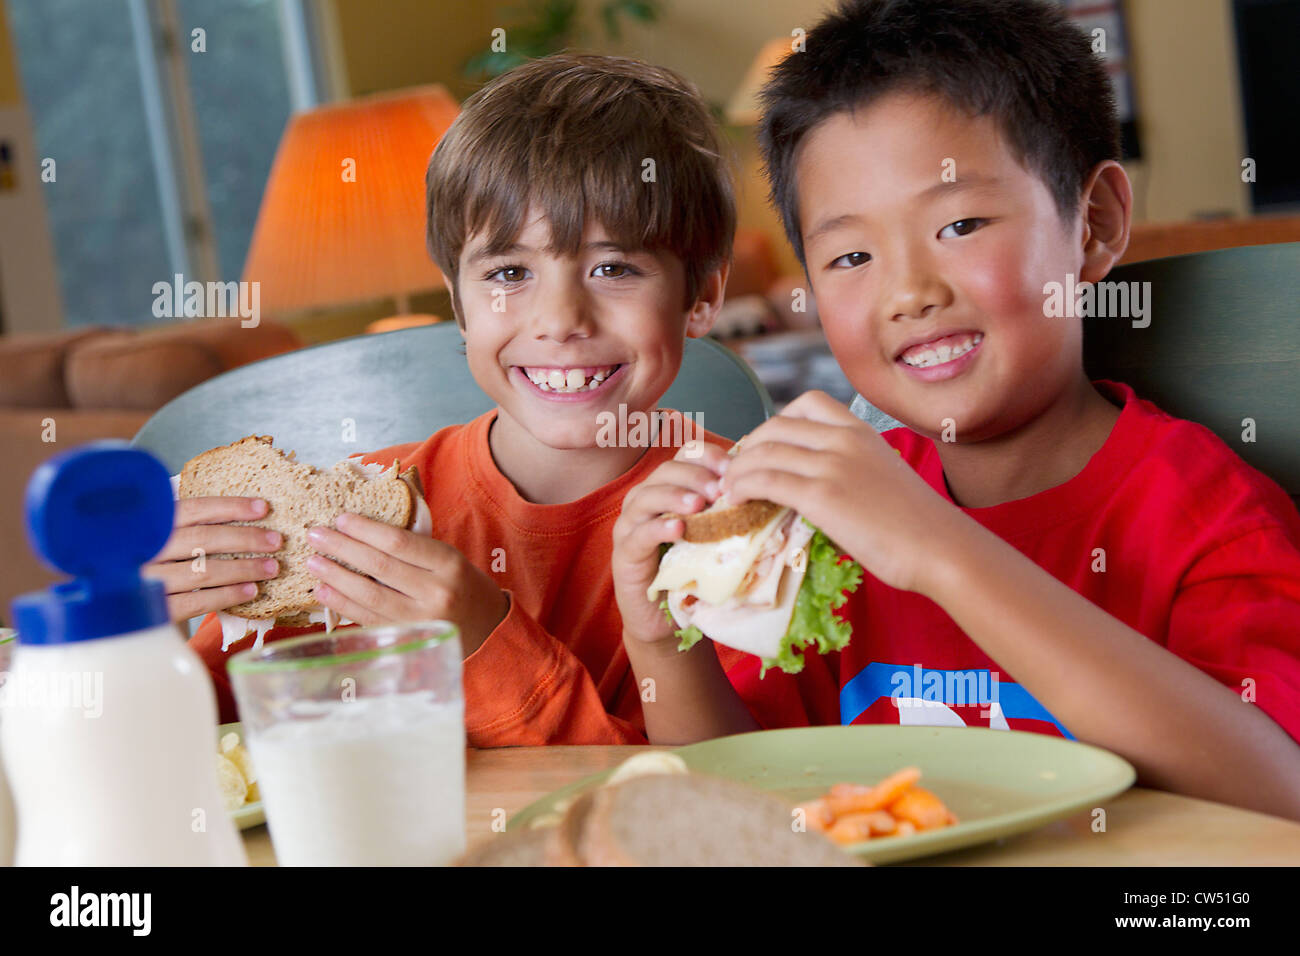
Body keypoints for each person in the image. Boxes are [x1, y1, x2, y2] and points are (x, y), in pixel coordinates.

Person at [612, 0, 1300, 819]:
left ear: (1096, 224)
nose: (909, 293)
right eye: (851, 256)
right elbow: (737, 795)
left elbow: (1279, 793)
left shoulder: (1205, 511)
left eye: (961, 224)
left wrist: (937, 547)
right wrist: (663, 639)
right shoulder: (823, 524)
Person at [144, 53, 737, 744]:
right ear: (458, 304)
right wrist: (131, 639)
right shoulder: (368, 513)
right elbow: (203, 743)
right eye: (509, 271)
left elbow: (723, 801)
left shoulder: (738, 520)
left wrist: (490, 646)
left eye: (614, 267)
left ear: (701, 296)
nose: (560, 319)